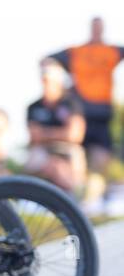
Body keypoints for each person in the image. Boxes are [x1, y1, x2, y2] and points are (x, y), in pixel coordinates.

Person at [49, 18, 124, 209]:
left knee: (101, 160)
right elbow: (48, 60)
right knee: (77, 158)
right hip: (81, 113)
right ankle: (77, 200)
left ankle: (96, 200)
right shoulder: (76, 52)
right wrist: (61, 89)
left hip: (103, 112)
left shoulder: (111, 51)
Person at [26, 59, 85, 194]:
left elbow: (75, 135)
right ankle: (68, 202)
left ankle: (71, 199)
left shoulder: (71, 103)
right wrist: (61, 133)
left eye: (49, 76)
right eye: (44, 77)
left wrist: (45, 133)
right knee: (49, 163)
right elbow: (34, 136)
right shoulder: (34, 107)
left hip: (67, 151)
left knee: (71, 161)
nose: (46, 81)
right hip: (42, 152)